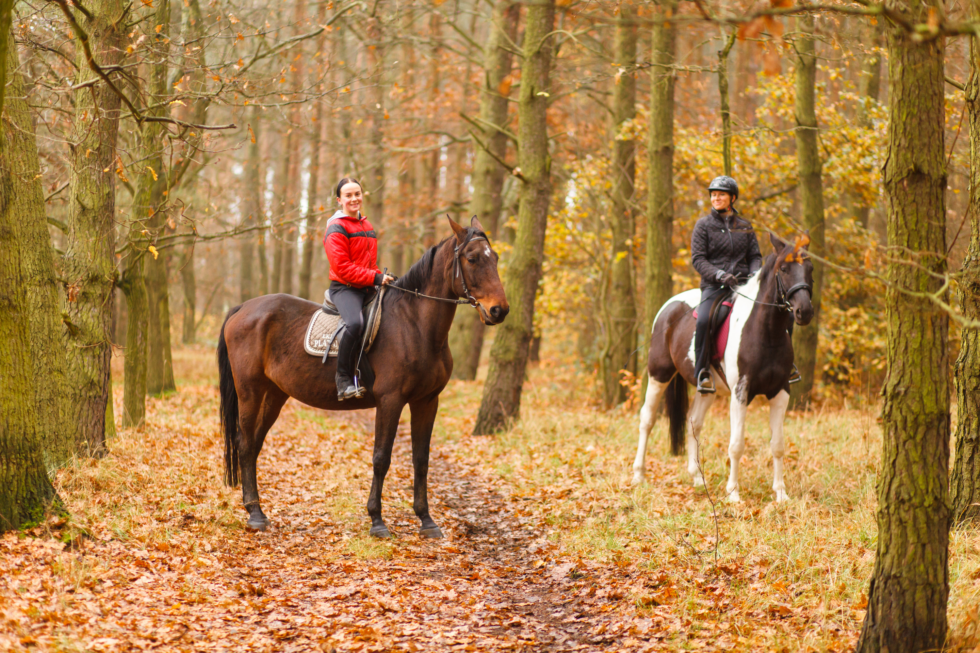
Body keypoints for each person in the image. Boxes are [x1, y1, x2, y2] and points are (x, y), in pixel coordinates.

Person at [323, 177, 395, 400]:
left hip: (366, 284)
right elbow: (343, 268)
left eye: (357, 194)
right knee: (355, 323)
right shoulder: (336, 227)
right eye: (348, 195)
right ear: (339, 200)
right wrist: (375, 277)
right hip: (344, 288)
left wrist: (382, 278)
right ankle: (343, 380)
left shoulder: (366, 225)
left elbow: (368, 263)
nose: (354, 199)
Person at [690, 176, 762, 394]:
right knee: (704, 320)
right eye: (713, 194)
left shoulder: (745, 226)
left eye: (721, 194)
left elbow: (755, 256)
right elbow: (698, 259)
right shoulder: (703, 226)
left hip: (744, 286)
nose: (716, 198)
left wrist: (753, 274)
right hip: (715, 287)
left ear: (732, 198)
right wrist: (720, 275)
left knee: (778, 311)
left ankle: (786, 366)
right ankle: (702, 371)